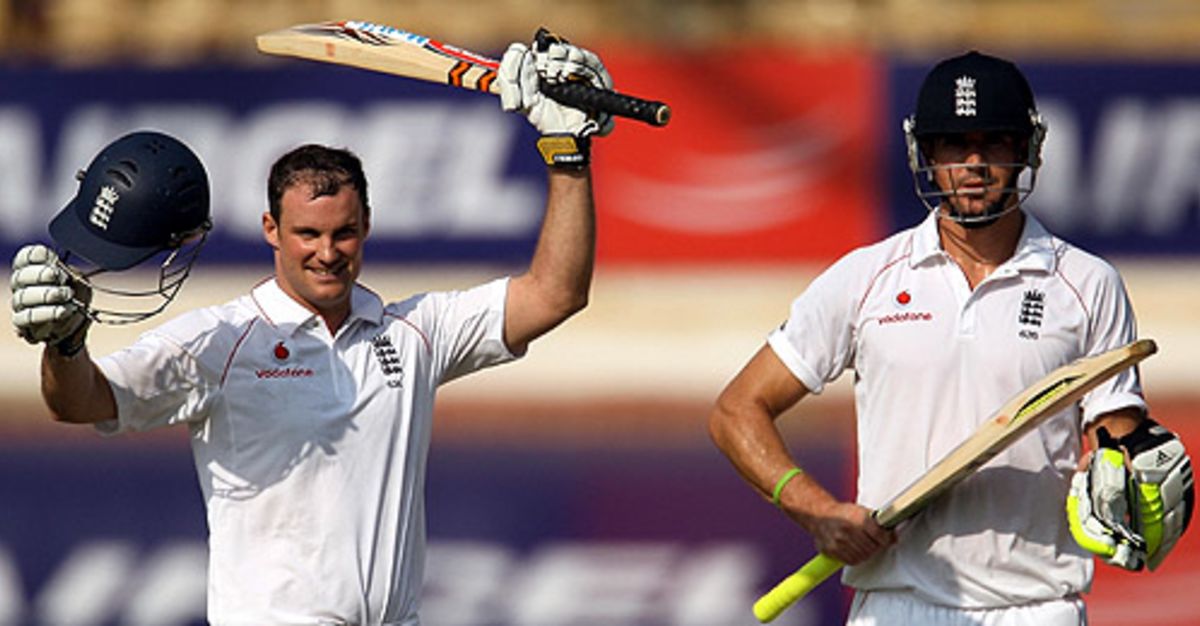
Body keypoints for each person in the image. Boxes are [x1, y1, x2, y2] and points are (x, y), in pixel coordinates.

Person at [11, 34, 614, 625]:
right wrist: (67, 345)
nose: (328, 253)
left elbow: (556, 293)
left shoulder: (412, 330)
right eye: (308, 234)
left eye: (343, 233)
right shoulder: (220, 341)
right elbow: (82, 401)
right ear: (272, 229)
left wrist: (566, 154)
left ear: (367, 227)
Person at [708, 51, 1193, 625]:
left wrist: (1124, 464)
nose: (973, 163)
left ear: (1027, 150)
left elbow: (1115, 426)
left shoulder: (1087, 283)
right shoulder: (867, 278)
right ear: (926, 154)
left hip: (1035, 607)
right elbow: (737, 409)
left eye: (994, 143)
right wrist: (815, 509)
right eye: (952, 145)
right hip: (896, 603)